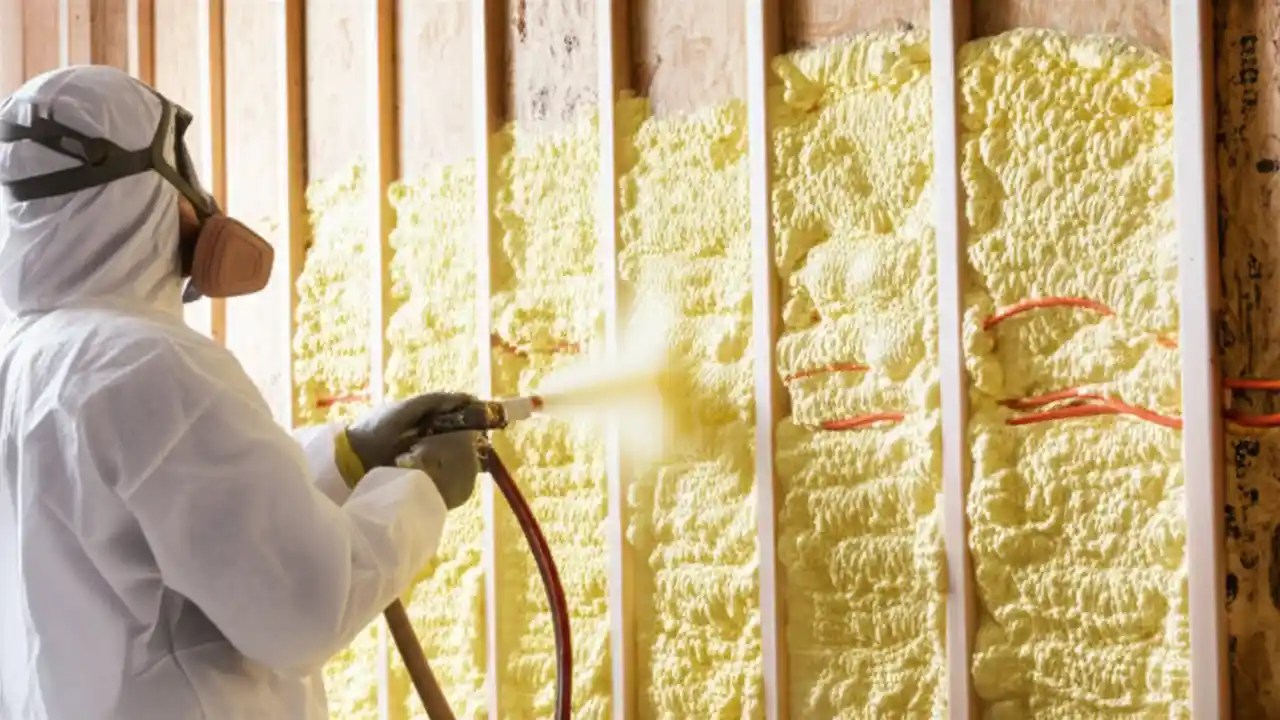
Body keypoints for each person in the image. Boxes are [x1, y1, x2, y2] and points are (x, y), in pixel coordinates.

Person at [0, 65, 481, 718]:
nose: (199, 203)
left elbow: (190, 515)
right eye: (181, 170)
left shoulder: (29, 362)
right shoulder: (149, 364)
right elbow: (303, 605)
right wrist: (418, 493)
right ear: (140, 187)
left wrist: (346, 457)